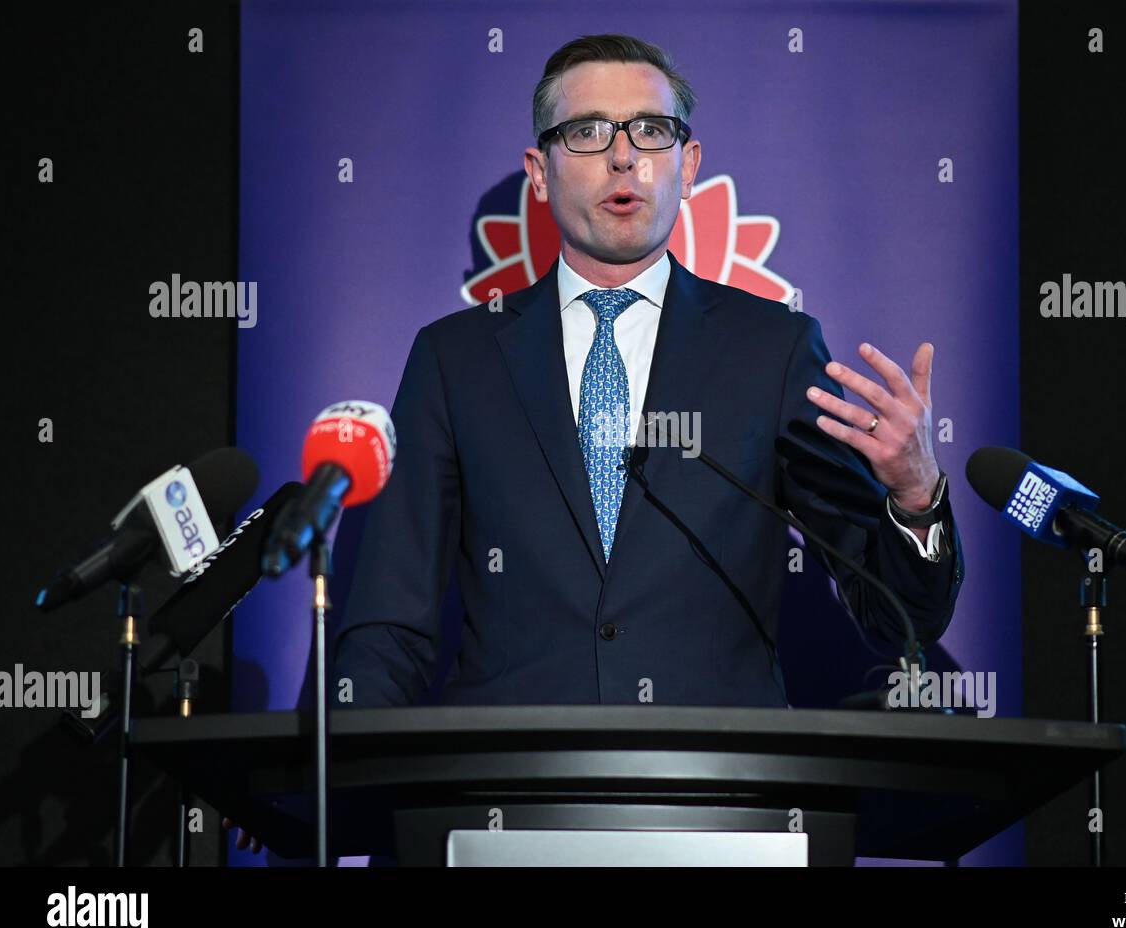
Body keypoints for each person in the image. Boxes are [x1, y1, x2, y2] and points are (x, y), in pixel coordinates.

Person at [332, 32, 963, 710]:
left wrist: (916, 499)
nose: (624, 156)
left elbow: (896, 616)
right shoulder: (455, 360)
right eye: (589, 132)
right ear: (539, 171)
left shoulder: (771, 349)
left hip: (715, 790)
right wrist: (351, 789)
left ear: (688, 166)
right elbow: (388, 624)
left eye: (651, 131)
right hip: (513, 785)